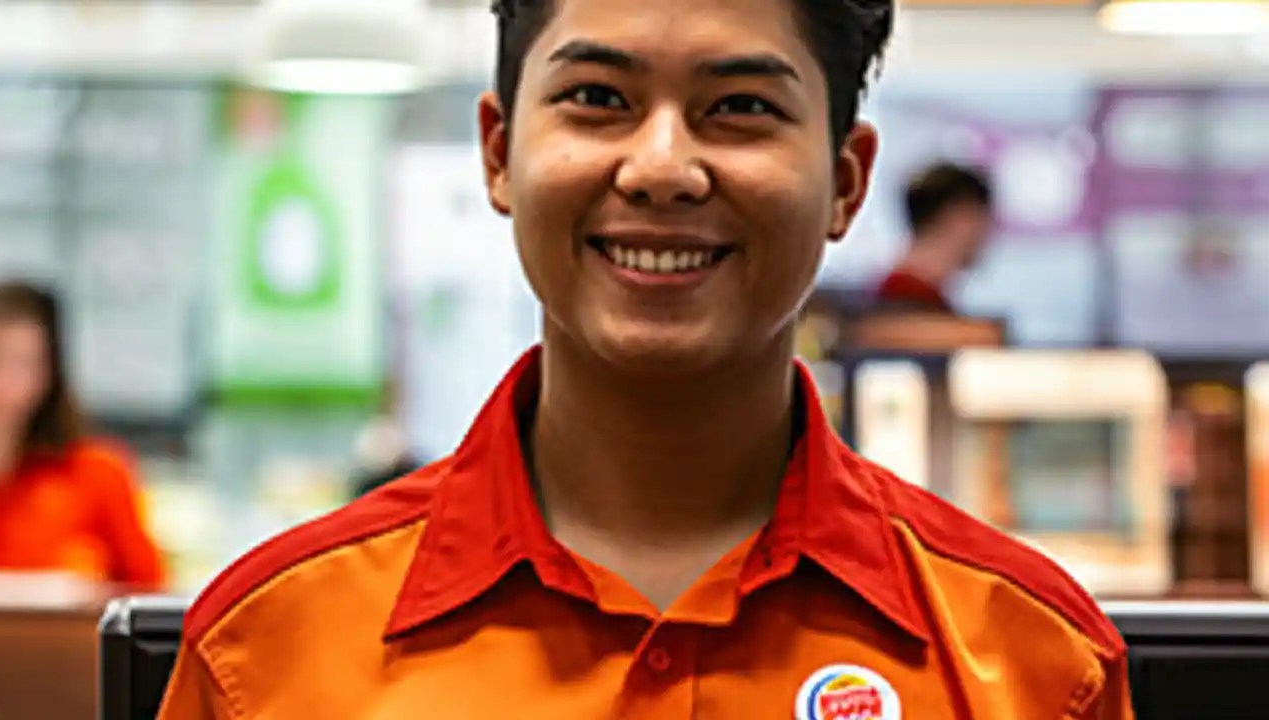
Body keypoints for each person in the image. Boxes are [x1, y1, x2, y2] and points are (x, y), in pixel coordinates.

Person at [159, 0, 1131, 717]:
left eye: (739, 106)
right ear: (498, 153)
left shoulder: (1033, 663)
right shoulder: (267, 652)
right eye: (596, 98)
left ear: (845, 181)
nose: (662, 167)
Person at [0, 282, 164, 590]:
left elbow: (150, 591)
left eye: (22, 364)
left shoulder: (96, 474)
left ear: (49, 374)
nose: (0, 384)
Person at [874, 162, 993, 314]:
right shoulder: (909, 300)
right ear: (959, 218)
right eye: (982, 218)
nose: (986, 233)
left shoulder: (907, 296)